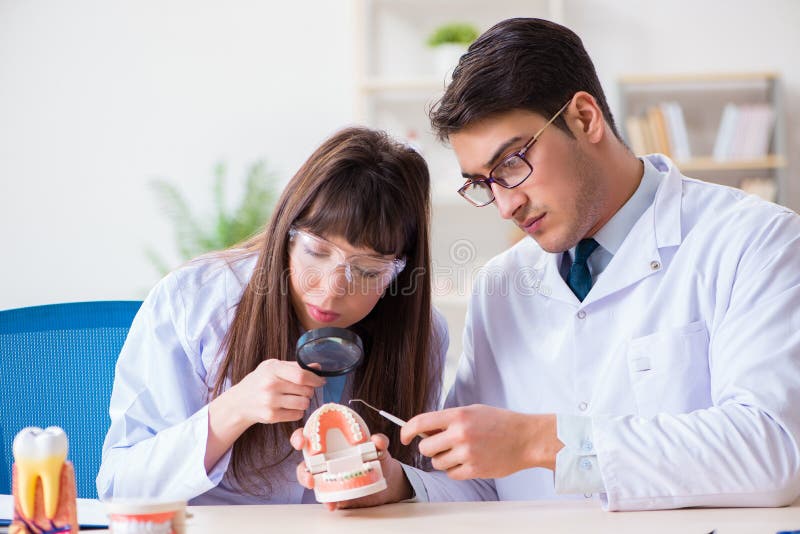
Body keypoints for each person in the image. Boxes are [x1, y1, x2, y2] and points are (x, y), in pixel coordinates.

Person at [302, 17, 800, 511]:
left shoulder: (754, 241)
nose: (505, 206)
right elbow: (481, 485)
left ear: (584, 118)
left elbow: (775, 452)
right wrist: (398, 483)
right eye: (482, 183)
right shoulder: (501, 284)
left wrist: (542, 442)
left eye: (511, 164)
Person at [97, 127, 448, 505]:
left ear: (399, 273)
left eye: (367, 271)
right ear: (287, 234)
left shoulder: (421, 333)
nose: (331, 290)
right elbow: (120, 487)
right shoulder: (194, 300)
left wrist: (395, 482)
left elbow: (438, 486)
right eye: (316, 252)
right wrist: (232, 410)